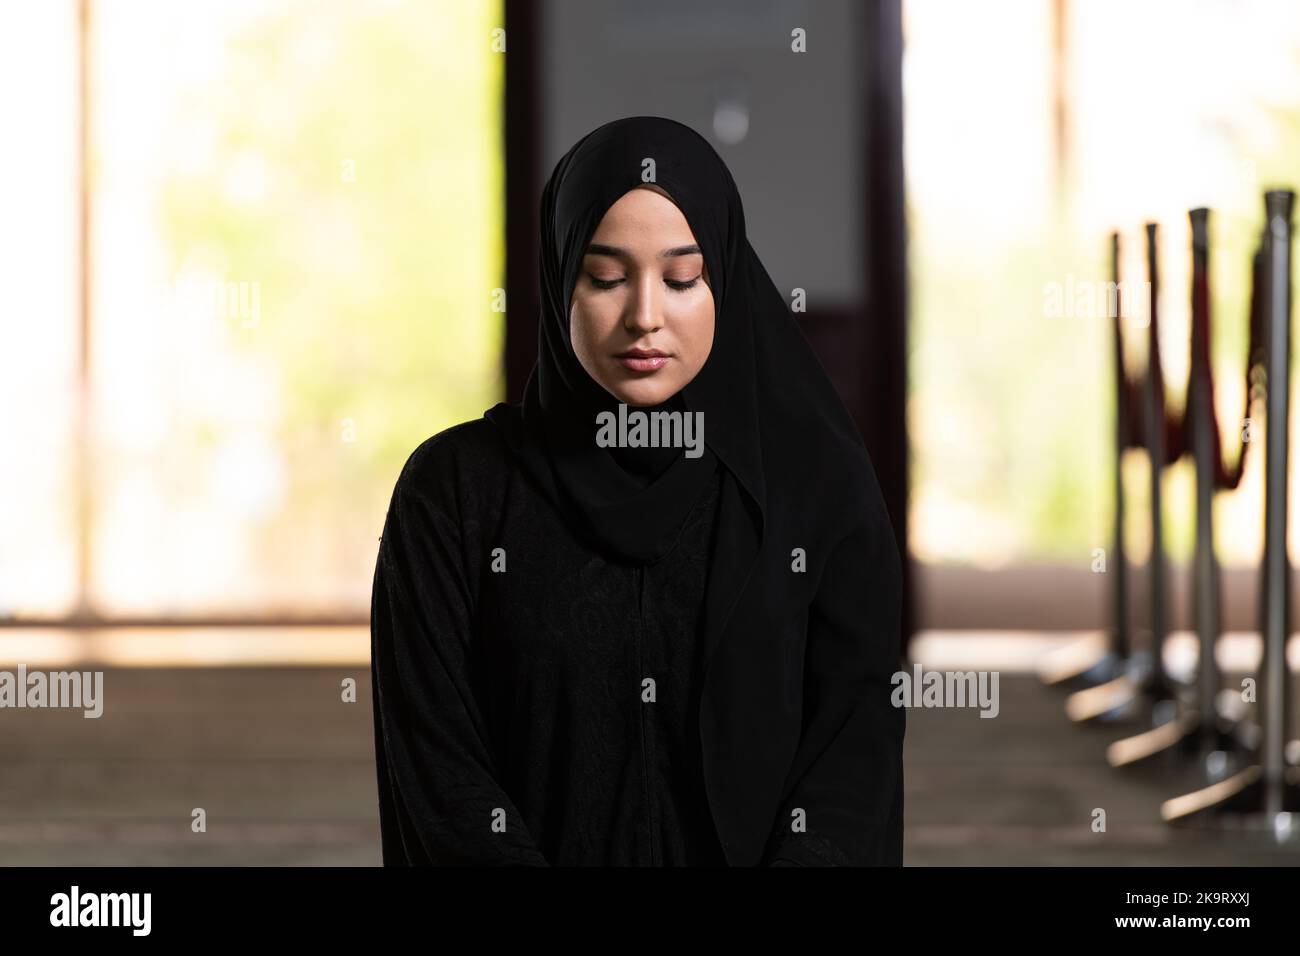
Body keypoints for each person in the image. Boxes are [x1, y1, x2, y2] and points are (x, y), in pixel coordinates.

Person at [370, 115, 905, 866]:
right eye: (607, 277)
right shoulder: (455, 495)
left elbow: (852, 751)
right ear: (560, 282)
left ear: (724, 277)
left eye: (683, 279)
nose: (645, 317)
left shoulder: (815, 490)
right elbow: (440, 768)